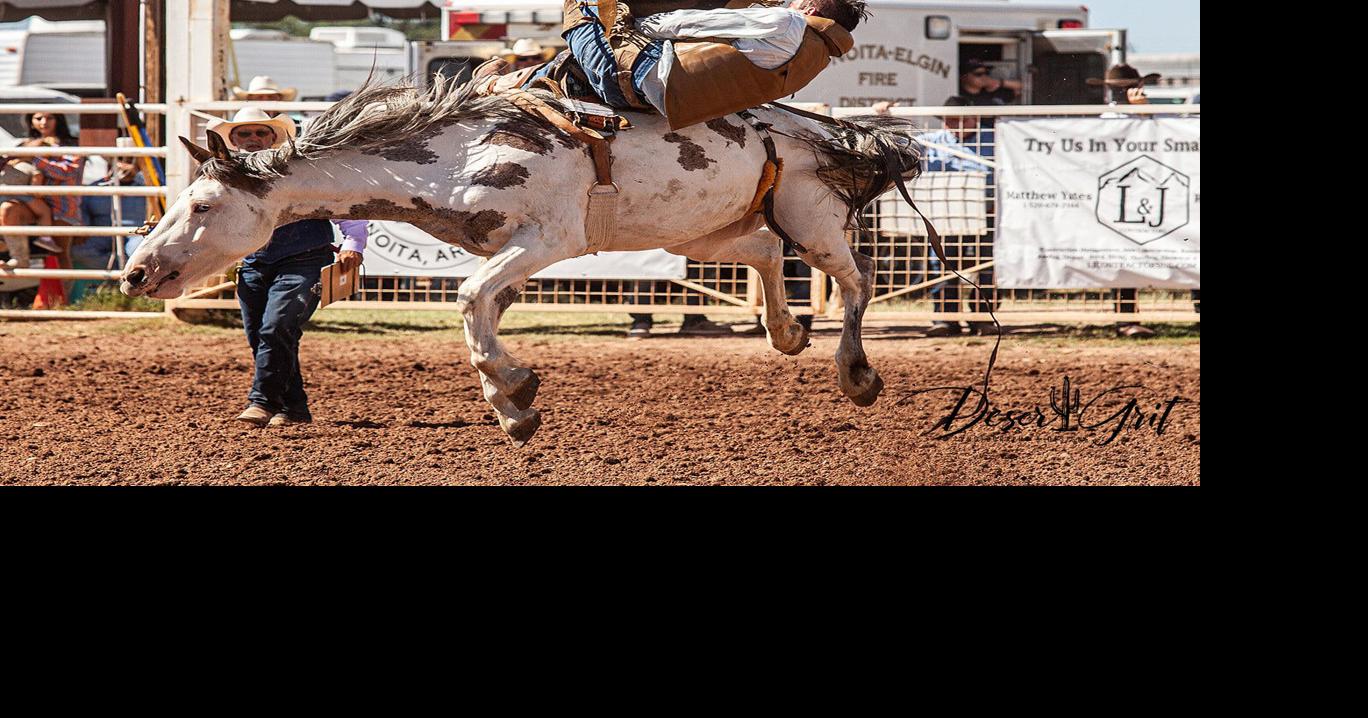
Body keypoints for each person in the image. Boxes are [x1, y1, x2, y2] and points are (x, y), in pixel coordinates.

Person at [207, 107, 369, 427]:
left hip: (305, 257)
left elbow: (340, 202)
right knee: (265, 334)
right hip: (254, 261)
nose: (254, 139)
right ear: (234, 141)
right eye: (245, 134)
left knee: (276, 327)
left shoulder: (299, 171)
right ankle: (294, 408)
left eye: (260, 133)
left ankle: (261, 403)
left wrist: (353, 243)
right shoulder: (223, 176)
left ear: (272, 138)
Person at [560, 0, 863, 127]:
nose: (789, 3)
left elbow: (688, 22)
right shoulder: (815, 57)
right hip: (663, 103)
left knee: (583, 5)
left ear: (809, 8)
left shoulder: (788, 21)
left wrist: (634, 26)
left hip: (632, 77)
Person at [1090, 63, 1162, 337]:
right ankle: (1126, 318)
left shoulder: (1148, 115)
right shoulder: (1107, 119)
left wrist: (1145, 111)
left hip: (1152, 190)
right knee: (1123, 256)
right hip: (1124, 194)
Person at [1, 112, 83, 269]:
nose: (44, 122)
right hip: (29, 202)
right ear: (31, 122)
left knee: (60, 254)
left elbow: (67, 171)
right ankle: (19, 259)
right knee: (7, 209)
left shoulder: (70, 146)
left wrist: (34, 159)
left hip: (61, 206)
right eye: (38, 118)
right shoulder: (24, 145)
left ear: (58, 120)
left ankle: (63, 292)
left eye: (49, 118)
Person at [955, 59, 1021, 106]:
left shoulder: (992, 91)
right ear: (964, 77)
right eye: (978, 74)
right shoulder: (958, 96)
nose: (984, 76)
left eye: (986, 73)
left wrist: (999, 82)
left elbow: (1021, 88)